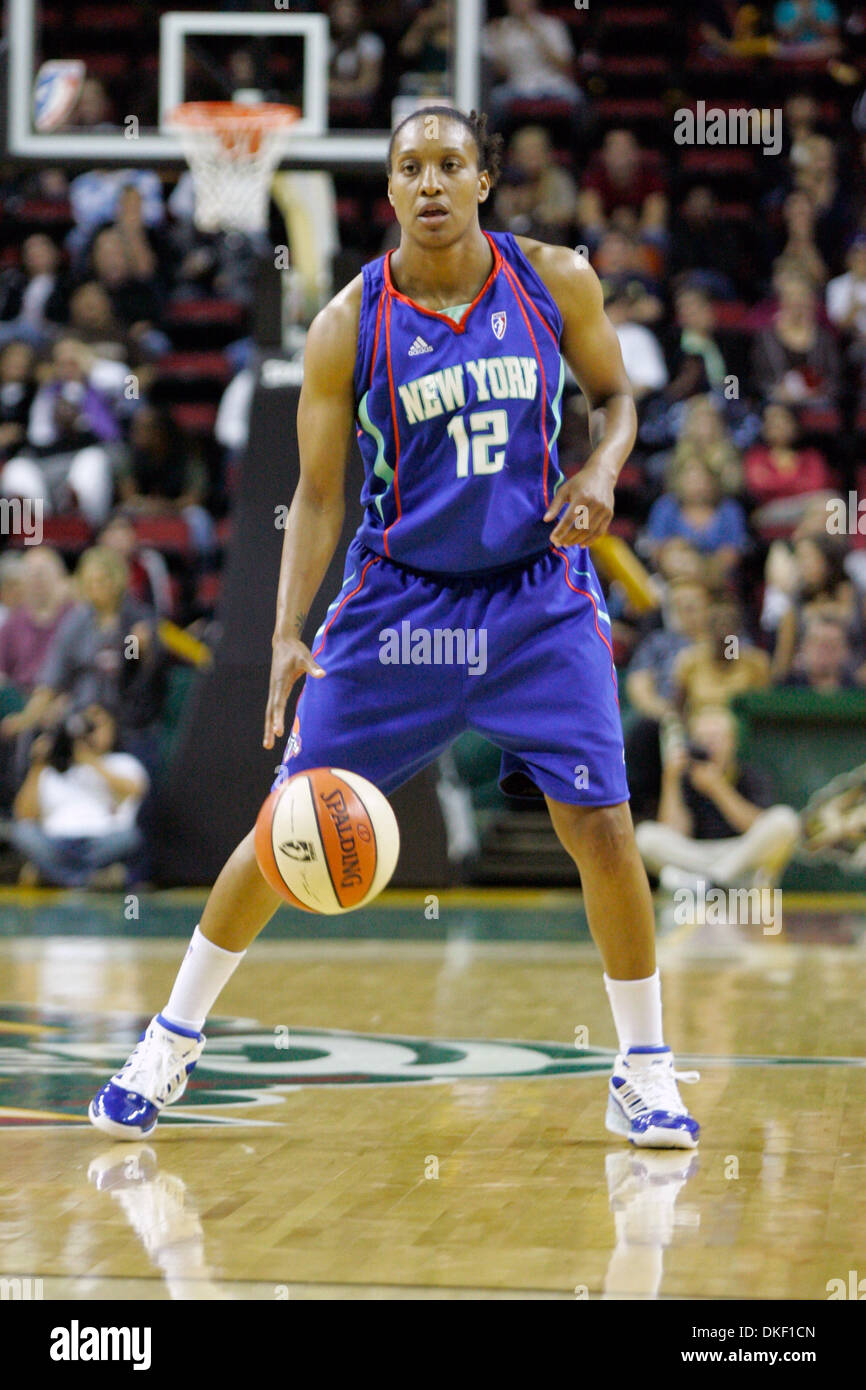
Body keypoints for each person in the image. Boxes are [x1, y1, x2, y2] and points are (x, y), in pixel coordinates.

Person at [89, 104, 700, 1149]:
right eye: (408, 166)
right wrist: (288, 631)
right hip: (397, 607)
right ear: (387, 190)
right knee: (285, 827)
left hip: (535, 594)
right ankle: (169, 1041)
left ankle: (642, 1063)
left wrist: (598, 469)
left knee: (599, 824)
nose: (428, 182)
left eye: (447, 164)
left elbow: (615, 396)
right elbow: (318, 499)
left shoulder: (553, 280)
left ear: (480, 182)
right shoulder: (347, 324)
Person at [635, 704, 801, 892]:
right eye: (703, 739)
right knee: (645, 836)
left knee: (785, 820)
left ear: (732, 741)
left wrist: (718, 789)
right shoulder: (684, 777)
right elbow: (674, 831)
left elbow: (756, 826)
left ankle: (710, 880)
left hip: (740, 853)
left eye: (716, 738)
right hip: (696, 854)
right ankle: (723, 881)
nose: (710, 744)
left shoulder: (749, 775)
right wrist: (670, 781)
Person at [10, 705, 148, 889]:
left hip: (100, 841)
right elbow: (24, 814)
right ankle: (91, 880)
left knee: (130, 837)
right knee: (22, 833)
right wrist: (37, 765)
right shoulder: (51, 770)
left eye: (97, 726)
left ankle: (53, 876)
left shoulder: (122, 762)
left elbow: (135, 791)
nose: (89, 732)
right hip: (57, 842)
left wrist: (87, 757)